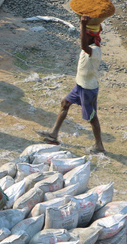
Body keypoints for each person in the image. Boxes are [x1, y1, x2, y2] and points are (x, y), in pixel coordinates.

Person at [39, 14, 106, 153]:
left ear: (92, 37)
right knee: (65, 103)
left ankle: (99, 145)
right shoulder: (88, 47)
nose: (82, 37)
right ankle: (53, 134)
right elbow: (83, 42)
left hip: (88, 89)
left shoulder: (95, 50)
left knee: (92, 118)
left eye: (85, 35)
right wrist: (82, 24)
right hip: (80, 86)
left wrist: (82, 24)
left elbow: (82, 44)